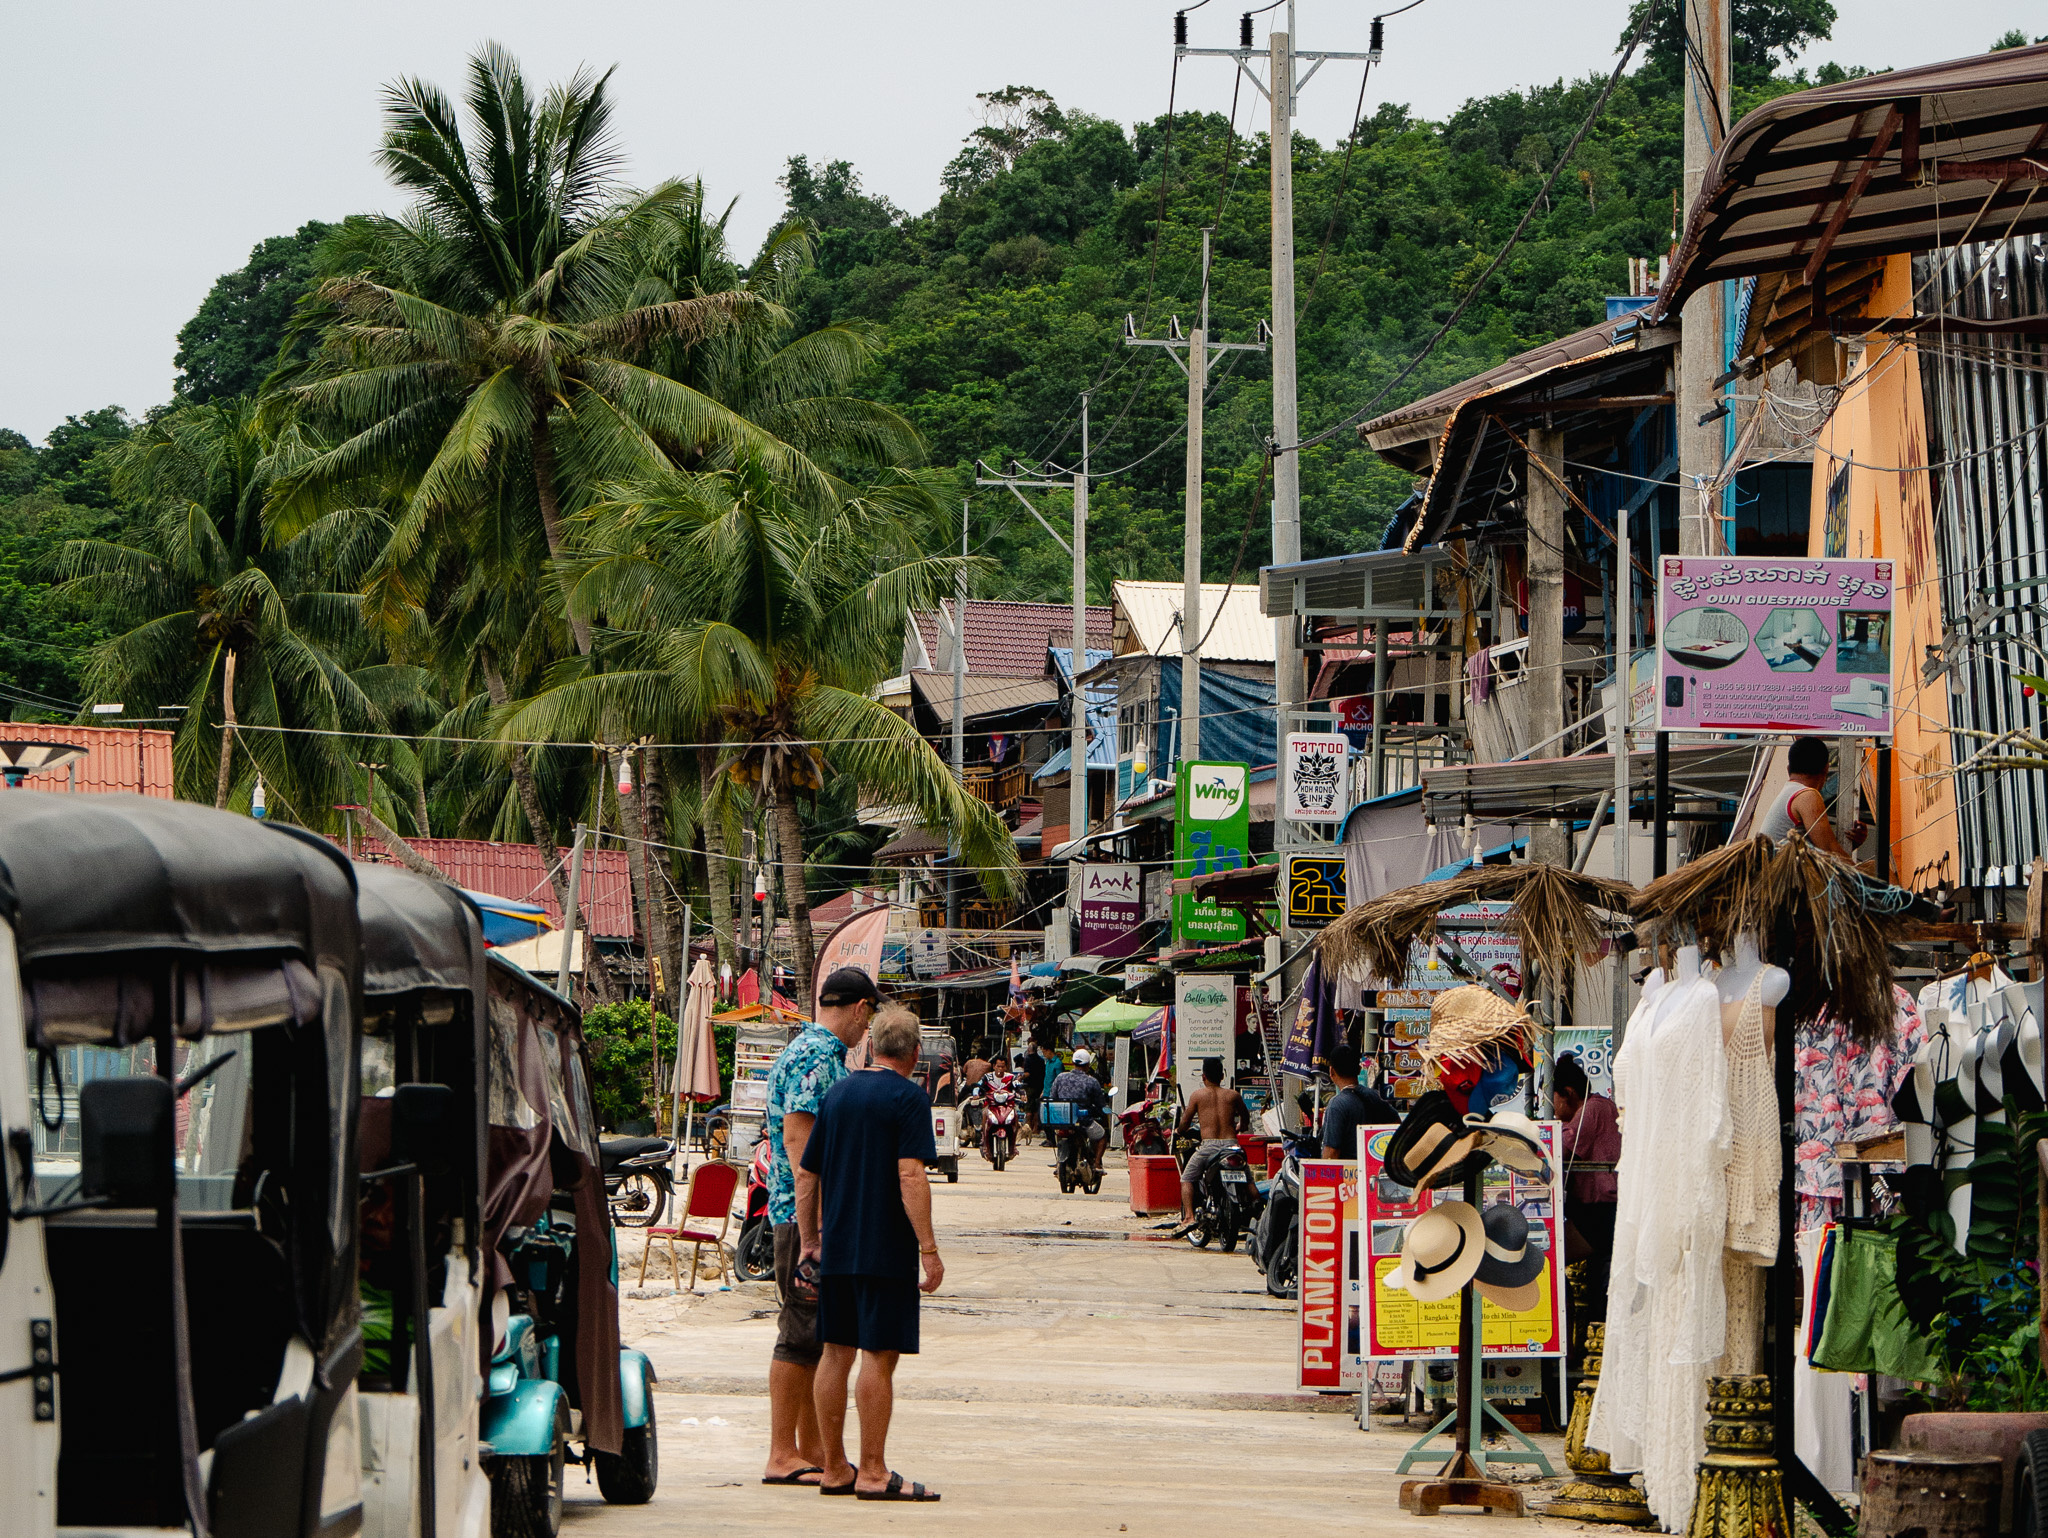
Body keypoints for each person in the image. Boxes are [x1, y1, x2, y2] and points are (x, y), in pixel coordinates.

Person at [800, 1005, 944, 1502]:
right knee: (878, 1357)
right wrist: (929, 1249)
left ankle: (834, 1468)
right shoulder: (910, 1098)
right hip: (885, 1249)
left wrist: (810, 1240)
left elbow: (807, 1173)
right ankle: (875, 1472)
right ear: (916, 1053)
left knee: (835, 1352)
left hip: (838, 1246)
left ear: (872, 1046)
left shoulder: (837, 1094)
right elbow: (911, 1175)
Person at [758, 966, 879, 1487]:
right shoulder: (815, 1057)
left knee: (814, 1336)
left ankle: (807, 1448)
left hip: (806, 1215)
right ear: (859, 1009)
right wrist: (817, 1229)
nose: (866, 1029)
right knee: (800, 1331)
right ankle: (782, 1452)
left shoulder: (812, 1051)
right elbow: (800, 1146)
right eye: (868, 1018)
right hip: (804, 1218)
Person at [1554, 1052, 1621, 1312]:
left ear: (1568, 1093)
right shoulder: (1599, 1107)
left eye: (1554, 1101)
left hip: (1601, 1209)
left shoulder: (1593, 1109)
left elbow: (1562, 1148)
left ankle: (1565, 1319)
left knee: (1551, 1258)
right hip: (1595, 1208)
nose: (1554, 1109)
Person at [1756, 736, 1867, 860]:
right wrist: (1861, 872)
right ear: (1826, 768)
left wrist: (1852, 844)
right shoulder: (1807, 795)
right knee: (1873, 867)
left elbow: (1823, 856)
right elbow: (1829, 852)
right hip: (1781, 871)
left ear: (1788, 769)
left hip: (1780, 868)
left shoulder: (1790, 792)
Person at [1175, 1057, 1249, 1229]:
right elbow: (1245, 1118)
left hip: (1209, 1147)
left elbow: (1185, 1122)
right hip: (1232, 1145)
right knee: (1248, 1179)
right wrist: (1240, 1127)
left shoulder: (1198, 1095)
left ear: (1203, 1077)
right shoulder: (1233, 1095)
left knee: (1186, 1178)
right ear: (1222, 1076)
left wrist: (1179, 1131)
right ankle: (1256, 1212)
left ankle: (1189, 1217)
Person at [1319, 1043, 1400, 1161]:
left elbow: (1331, 1153)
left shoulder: (1336, 1105)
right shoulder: (1375, 1096)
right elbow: (1397, 1125)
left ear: (1331, 1071)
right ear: (1359, 1069)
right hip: (1374, 1167)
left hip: (1349, 1170)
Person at [1048, 1046, 1112, 1174]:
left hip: (1063, 1121)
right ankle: (1097, 1164)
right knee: (1102, 1136)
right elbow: (1100, 1104)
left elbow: (1052, 1098)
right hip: (1084, 1122)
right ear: (1088, 1065)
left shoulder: (1060, 1078)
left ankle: (1059, 1163)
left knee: (1059, 1135)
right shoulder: (1091, 1081)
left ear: (1073, 1062)